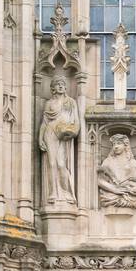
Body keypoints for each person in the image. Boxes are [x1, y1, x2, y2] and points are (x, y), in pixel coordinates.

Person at [38, 75, 80, 206]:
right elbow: (44, 123)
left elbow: (76, 121)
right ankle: (53, 193)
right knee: (51, 163)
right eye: (57, 84)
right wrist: (40, 138)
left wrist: (73, 132)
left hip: (64, 134)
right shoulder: (49, 103)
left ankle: (67, 193)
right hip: (50, 132)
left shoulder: (71, 102)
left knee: (61, 164)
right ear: (53, 88)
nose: (61, 86)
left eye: (62, 84)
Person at [97, 133, 136, 209]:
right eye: (114, 144)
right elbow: (100, 181)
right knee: (108, 197)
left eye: (119, 143)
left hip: (127, 194)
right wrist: (114, 189)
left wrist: (128, 189)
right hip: (110, 194)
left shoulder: (132, 163)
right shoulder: (107, 161)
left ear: (125, 146)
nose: (116, 147)